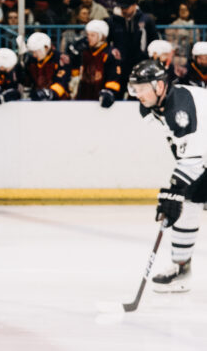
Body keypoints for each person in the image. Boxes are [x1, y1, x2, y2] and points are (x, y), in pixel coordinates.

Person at [129, 59, 203, 293]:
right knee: (189, 201)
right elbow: (186, 149)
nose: (137, 94)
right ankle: (181, 268)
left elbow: (194, 155)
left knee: (184, 195)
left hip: (201, 154)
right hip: (201, 154)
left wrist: (176, 185)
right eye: (134, 88)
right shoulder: (151, 106)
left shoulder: (179, 109)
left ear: (159, 86)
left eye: (141, 88)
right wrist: (176, 190)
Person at [68, 18, 122, 106]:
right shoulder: (84, 51)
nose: (88, 38)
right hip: (83, 98)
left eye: (92, 35)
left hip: (100, 100)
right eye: (88, 35)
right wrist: (74, 56)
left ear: (102, 37)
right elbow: (75, 73)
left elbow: (114, 78)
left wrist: (109, 92)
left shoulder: (110, 53)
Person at [20, 31, 70, 100]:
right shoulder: (32, 60)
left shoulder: (59, 59)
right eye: (32, 52)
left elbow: (62, 81)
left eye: (36, 51)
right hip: (38, 101)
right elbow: (28, 82)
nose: (34, 55)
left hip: (58, 101)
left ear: (46, 48)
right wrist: (22, 68)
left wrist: (50, 93)